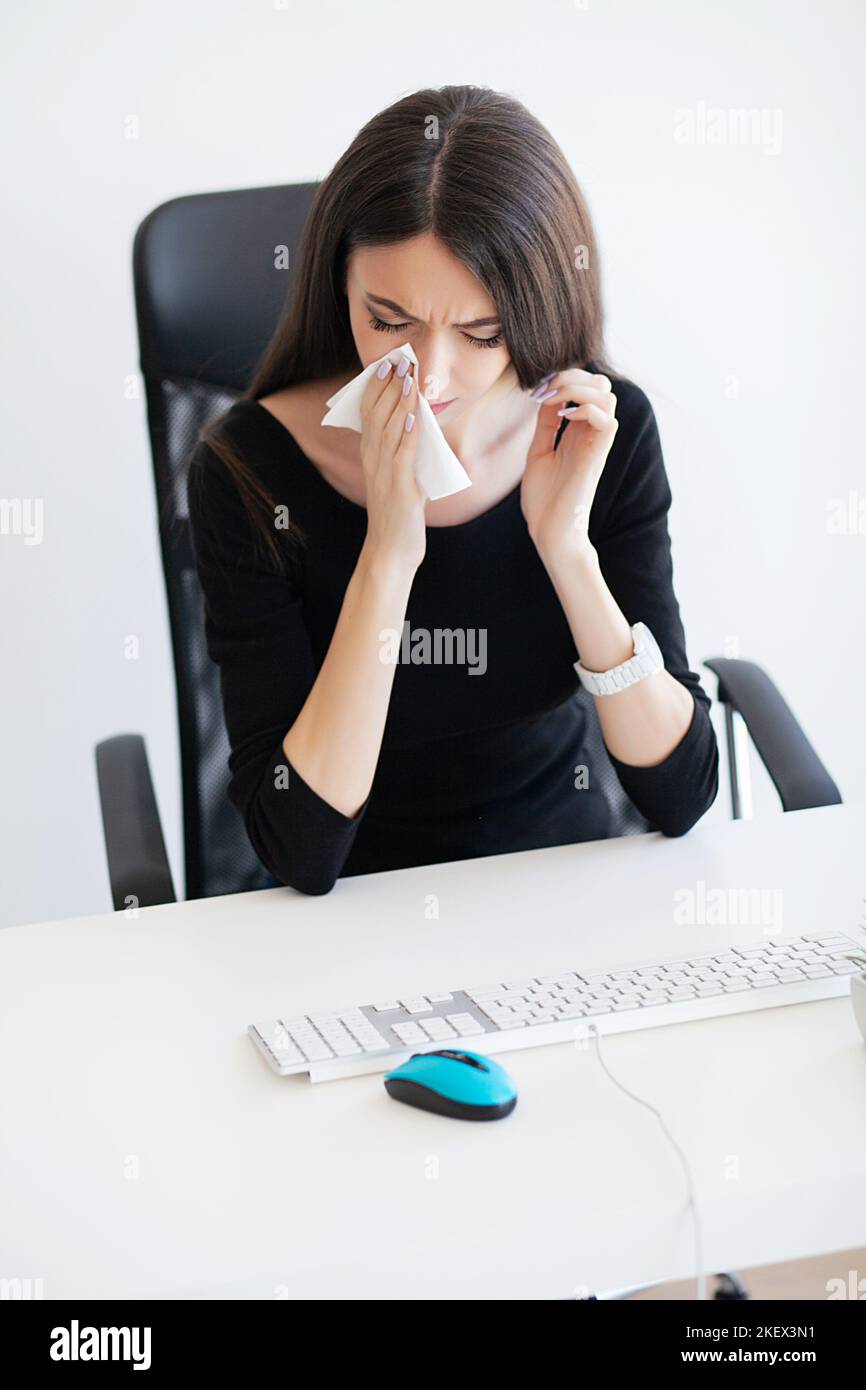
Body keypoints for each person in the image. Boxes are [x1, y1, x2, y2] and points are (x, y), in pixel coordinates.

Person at [187, 84, 719, 896]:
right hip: (346, 924)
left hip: (563, 893)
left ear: (535, 312)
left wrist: (566, 548)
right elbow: (300, 849)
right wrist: (390, 555)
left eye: (481, 334)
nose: (428, 376)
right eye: (389, 320)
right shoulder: (250, 472)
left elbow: (680, 795)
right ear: (340, 287)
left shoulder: (594, 433)